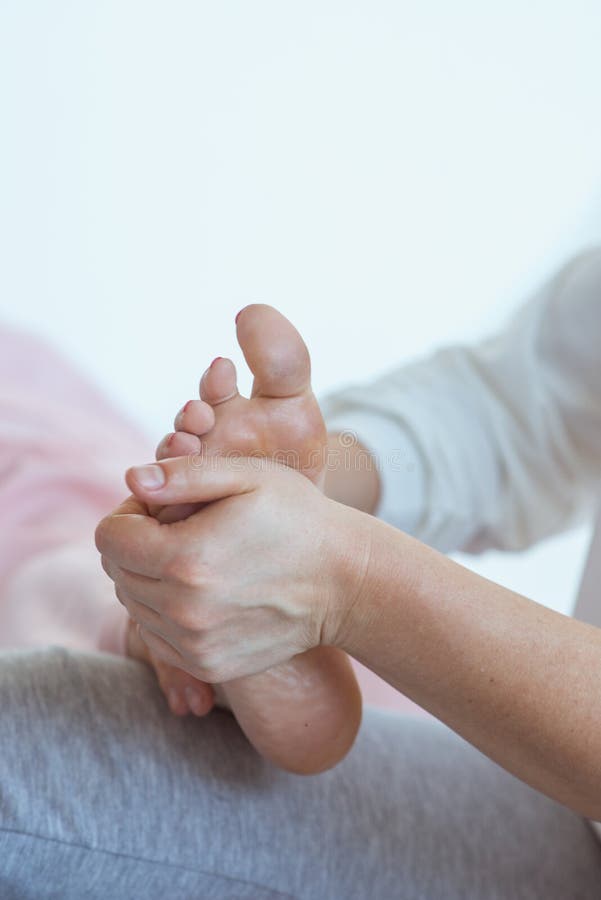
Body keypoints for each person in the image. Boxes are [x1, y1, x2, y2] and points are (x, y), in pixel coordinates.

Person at [2, 246, 601, 898]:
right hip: (562, 791)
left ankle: (141, 624)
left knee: (49, 613)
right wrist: (305, 480)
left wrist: (351, 582)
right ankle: (159, 627)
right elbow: (505, 412)